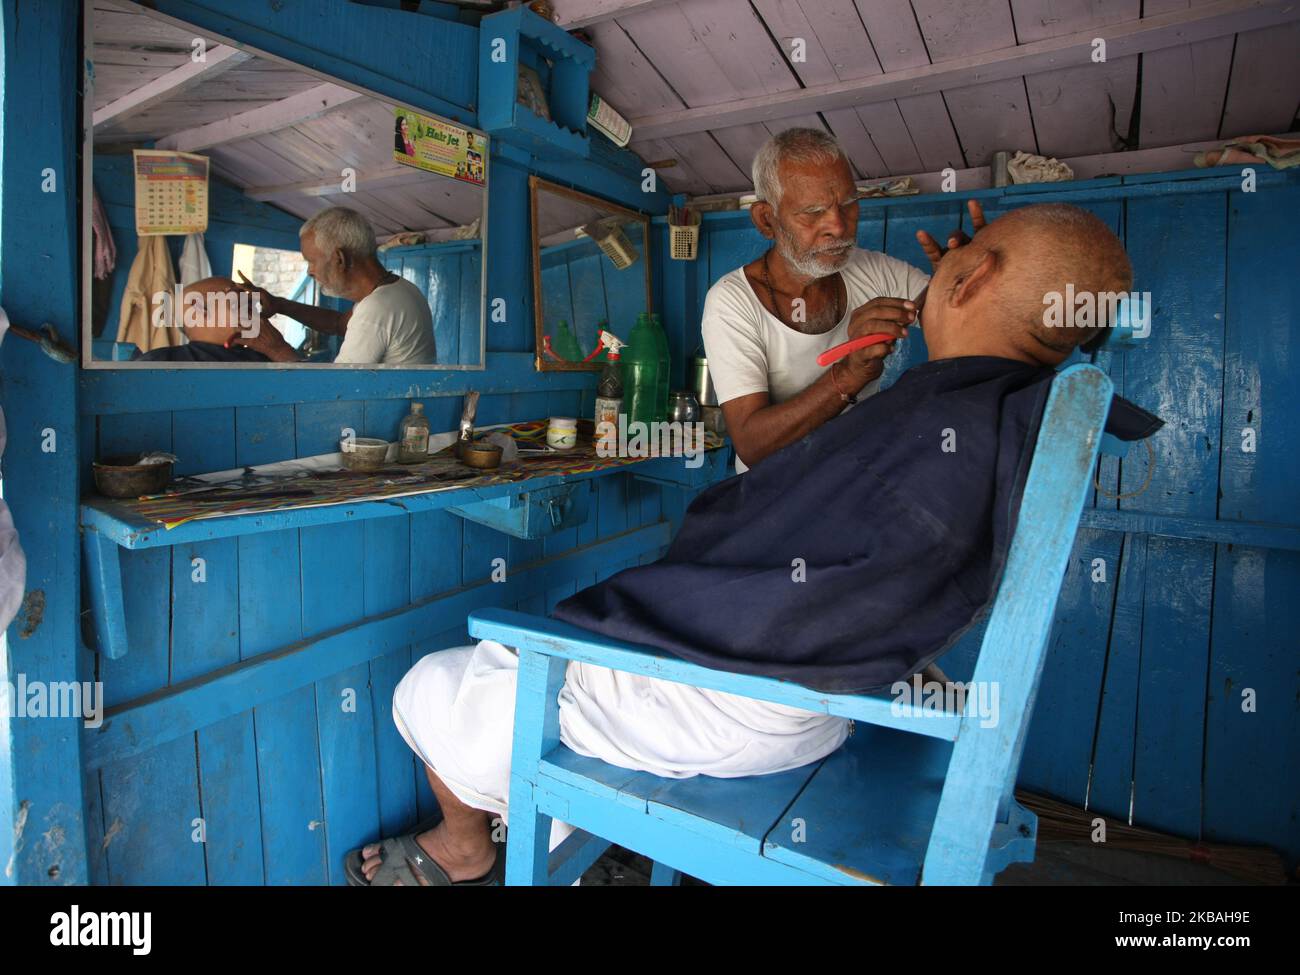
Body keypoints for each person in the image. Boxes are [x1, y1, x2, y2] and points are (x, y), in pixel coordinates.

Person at [347, 202, 1161, 887]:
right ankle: (548, 815)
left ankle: (467, 845)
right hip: (814, 697)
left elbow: (758, 516)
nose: (839, 221)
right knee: (559, 654)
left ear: (975, 279)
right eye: (818, 208)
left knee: (444, 679)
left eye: (967, 260)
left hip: (737, 700)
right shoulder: (1007, 410)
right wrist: (959, 286)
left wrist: (661, 587)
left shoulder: (944, 414)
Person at [703, 127, 984, 472]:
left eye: (849, 204)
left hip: (857, 483)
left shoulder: (877, 272)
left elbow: (964, 327)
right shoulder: (732, 303)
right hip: (776, 501)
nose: (838, 226)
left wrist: (960, 286)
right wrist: (850, 374)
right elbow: (752, 444)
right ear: (766, 219)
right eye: (812, 211)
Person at [235, 206, 437, 365]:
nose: (309, 271)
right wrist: (280, 305)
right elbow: (338, 324)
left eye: (312, 261)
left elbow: (336, 389)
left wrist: (276, 349)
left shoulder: (378, 308)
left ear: (340, 258)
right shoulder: (400, 290)